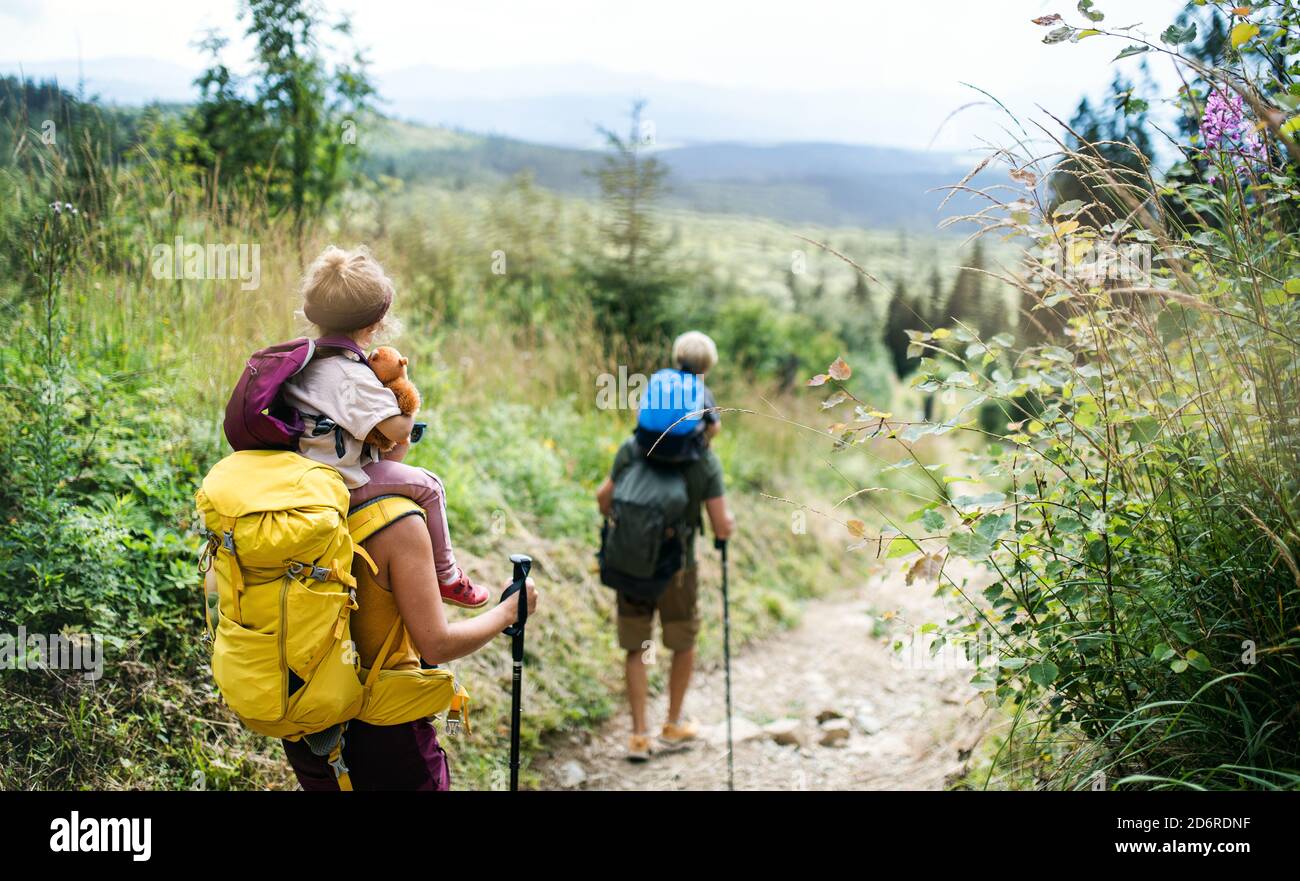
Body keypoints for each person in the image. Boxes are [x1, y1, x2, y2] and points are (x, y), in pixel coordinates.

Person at [206, 511, 540, 790]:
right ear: (381, 435)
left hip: (304, 715)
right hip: (387, 729)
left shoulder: (281, 512)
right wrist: (509, 611)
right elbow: (436, 645)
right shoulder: (397, 521)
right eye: (412, 430)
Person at [280, 245, 488, 609]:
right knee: (431, 487)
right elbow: (397, 432)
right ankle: (448, 577)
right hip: (340, 481)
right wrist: (405, 392)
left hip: (300, 475)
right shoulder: (352, 377)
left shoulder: (304, 360)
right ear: (374, 324)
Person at [595, 331, 736, 762]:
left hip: (632, 564)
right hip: (678, 566)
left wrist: (633, 528)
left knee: (636, 648)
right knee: (682, 641)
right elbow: (721, 524)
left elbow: (604, 499)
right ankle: (672, 723)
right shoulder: (704, 463)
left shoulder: (632, 448)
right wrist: (726, 530)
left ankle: (639, 735)